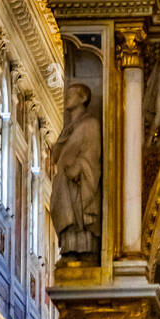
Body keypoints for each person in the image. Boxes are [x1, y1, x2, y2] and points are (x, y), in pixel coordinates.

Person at [51, 83, 101, 257]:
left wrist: (79, 166)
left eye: (71, 94)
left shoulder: (91, 124)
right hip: (64, 182)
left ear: (83, 98)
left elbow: (93, 154)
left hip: (78, 181)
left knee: (77, 224)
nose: (66, 97)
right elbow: (55, 156)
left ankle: (83, 245)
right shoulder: (68, 129)